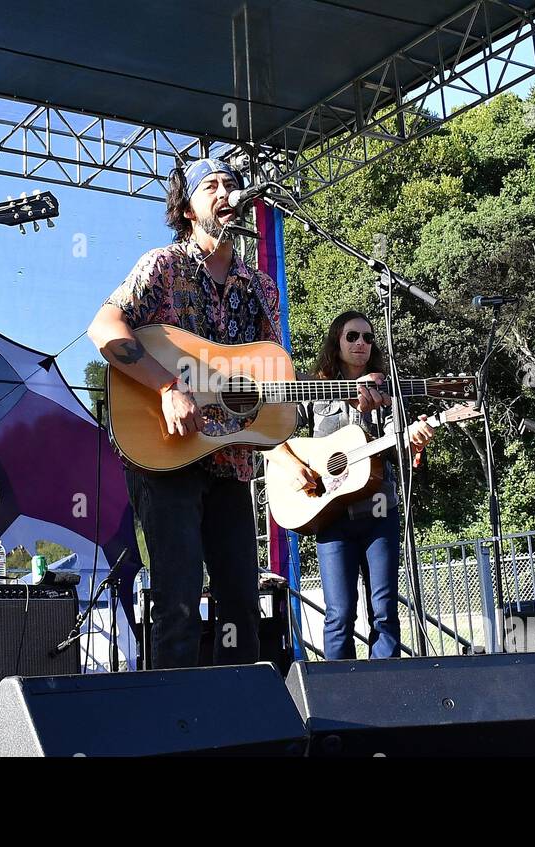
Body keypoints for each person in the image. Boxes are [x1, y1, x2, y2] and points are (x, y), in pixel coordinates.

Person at [87, 158, 281, 669]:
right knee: (177, 601)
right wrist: (169, 387)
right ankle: (174, 728)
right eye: (211, 186)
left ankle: (241, 726)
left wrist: (338, 393)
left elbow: (272, 381)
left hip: (230, 462)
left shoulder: (261, 287)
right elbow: (105, 329)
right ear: (188, 208)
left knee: (241, 601)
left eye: (232, 186)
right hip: (163, 454)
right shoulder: (162, 266)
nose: (226, 193)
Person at [269, 311, 433, 659]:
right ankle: (337, 697)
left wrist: (411, 438)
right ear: (337, 342)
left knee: (385, 611)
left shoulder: (388, 390)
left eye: (368, 338)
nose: (361, 343)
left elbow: (395, 443)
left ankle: (388, 691)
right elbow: (271, 432)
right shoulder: (315, 389)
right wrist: (294, 464)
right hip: (330, 513)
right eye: (352, 336)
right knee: (339, 614)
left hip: (378, 511)